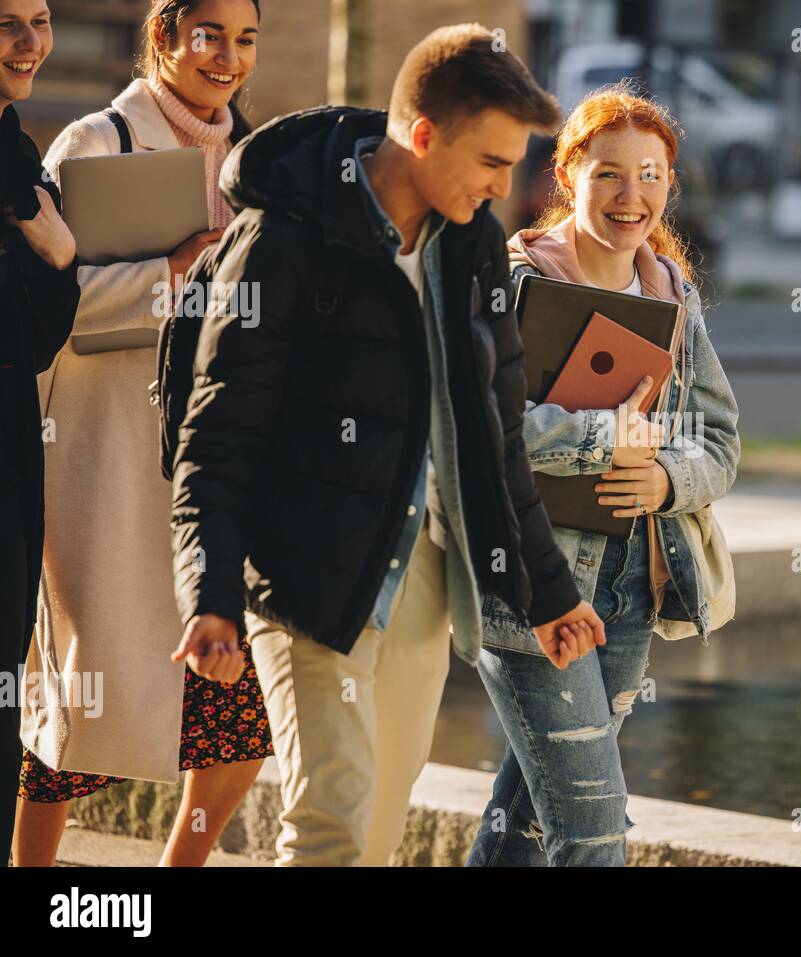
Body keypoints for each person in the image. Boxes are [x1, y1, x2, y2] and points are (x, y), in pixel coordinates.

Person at [168, 22, 606, 867]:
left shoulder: (471, 239)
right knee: (331, 815)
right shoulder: (285, 238)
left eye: (515, 163)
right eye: (490, 161)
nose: (506, 185)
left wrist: (548, 591)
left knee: (376, 830)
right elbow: (218, 432)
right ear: (423, 133)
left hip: (421, 579)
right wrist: (211, 591)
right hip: (305, 576)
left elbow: (493, 429)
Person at [13, 0, 270, 868]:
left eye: (245, 40)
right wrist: (171, 274)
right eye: (209, 36)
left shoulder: (258, 160)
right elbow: (45, 303)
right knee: (78, 706)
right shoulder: (90, 144)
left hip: (221, 457)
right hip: (107, 456)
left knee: (242, 713)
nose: (229, 58)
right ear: (163, 36)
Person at [467, 86, 740, 867]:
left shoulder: (671, 294)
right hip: (531, 577)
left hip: (628, 585)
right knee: (592, 830)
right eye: (610, 174)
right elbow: (482, 426)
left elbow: (719, 437)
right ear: (567, 176)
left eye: (651, 175)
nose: (633, 196)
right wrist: (600, 441)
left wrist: (663, 480)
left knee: (524, 812)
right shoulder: (517, 281)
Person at [0, 0, 79, 865]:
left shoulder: (18, 152)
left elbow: (45, 328)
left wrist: (58, 259)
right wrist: (54, 258)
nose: (31, 43)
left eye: (42, 17)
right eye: (6, 23)